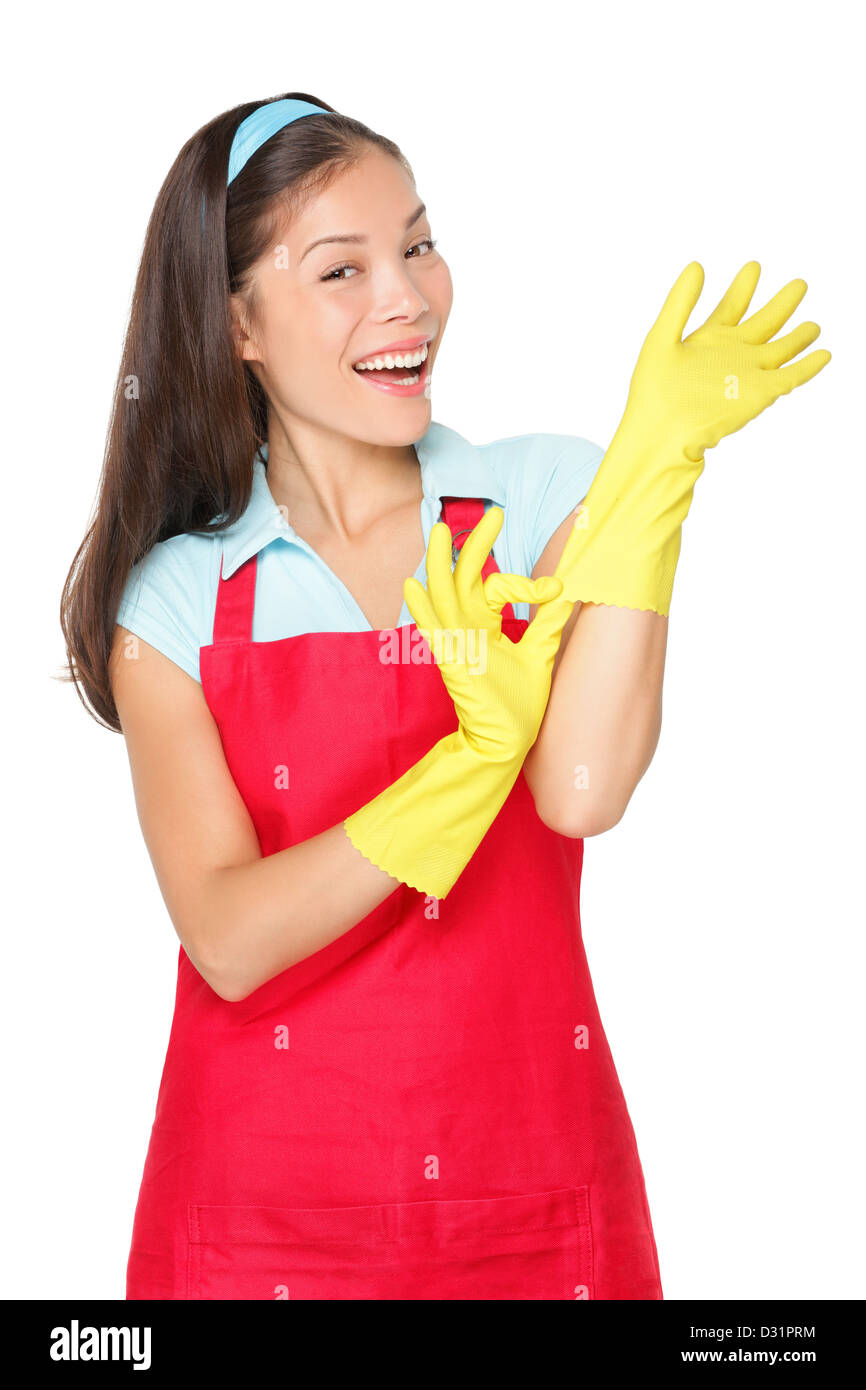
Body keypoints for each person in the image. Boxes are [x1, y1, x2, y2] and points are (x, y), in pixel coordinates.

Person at [59, 93, 829, 1301]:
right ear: (237, 323)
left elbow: (581, 790)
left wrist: (654, 473)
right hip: (266, 1214)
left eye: (417, 244)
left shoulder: (538, 498)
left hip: (527, 1191)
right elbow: (227, 937)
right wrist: (469, 762)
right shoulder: (179, 598)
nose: (407, 298)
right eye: (341, 269)